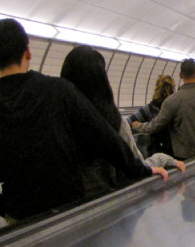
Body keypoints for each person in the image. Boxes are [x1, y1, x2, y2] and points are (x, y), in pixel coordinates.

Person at [0, 19, 161, 222]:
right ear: (28, 52)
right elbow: (105, 137)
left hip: (20, 216)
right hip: (68, 211)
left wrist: (3, 208)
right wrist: (142, 170)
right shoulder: (59, 91)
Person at [60, 46, 182, 195]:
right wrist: (163, 159)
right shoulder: (113, 121)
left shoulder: (55, 121)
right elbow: (136, 167)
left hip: (63, 208)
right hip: (107, 203)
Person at [129, 74, 176, 157]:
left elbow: (128, 122)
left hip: (152, 154)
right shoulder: (175, 108)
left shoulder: (149, 109)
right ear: (173, 89)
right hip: (173, 153)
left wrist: (137, 126)